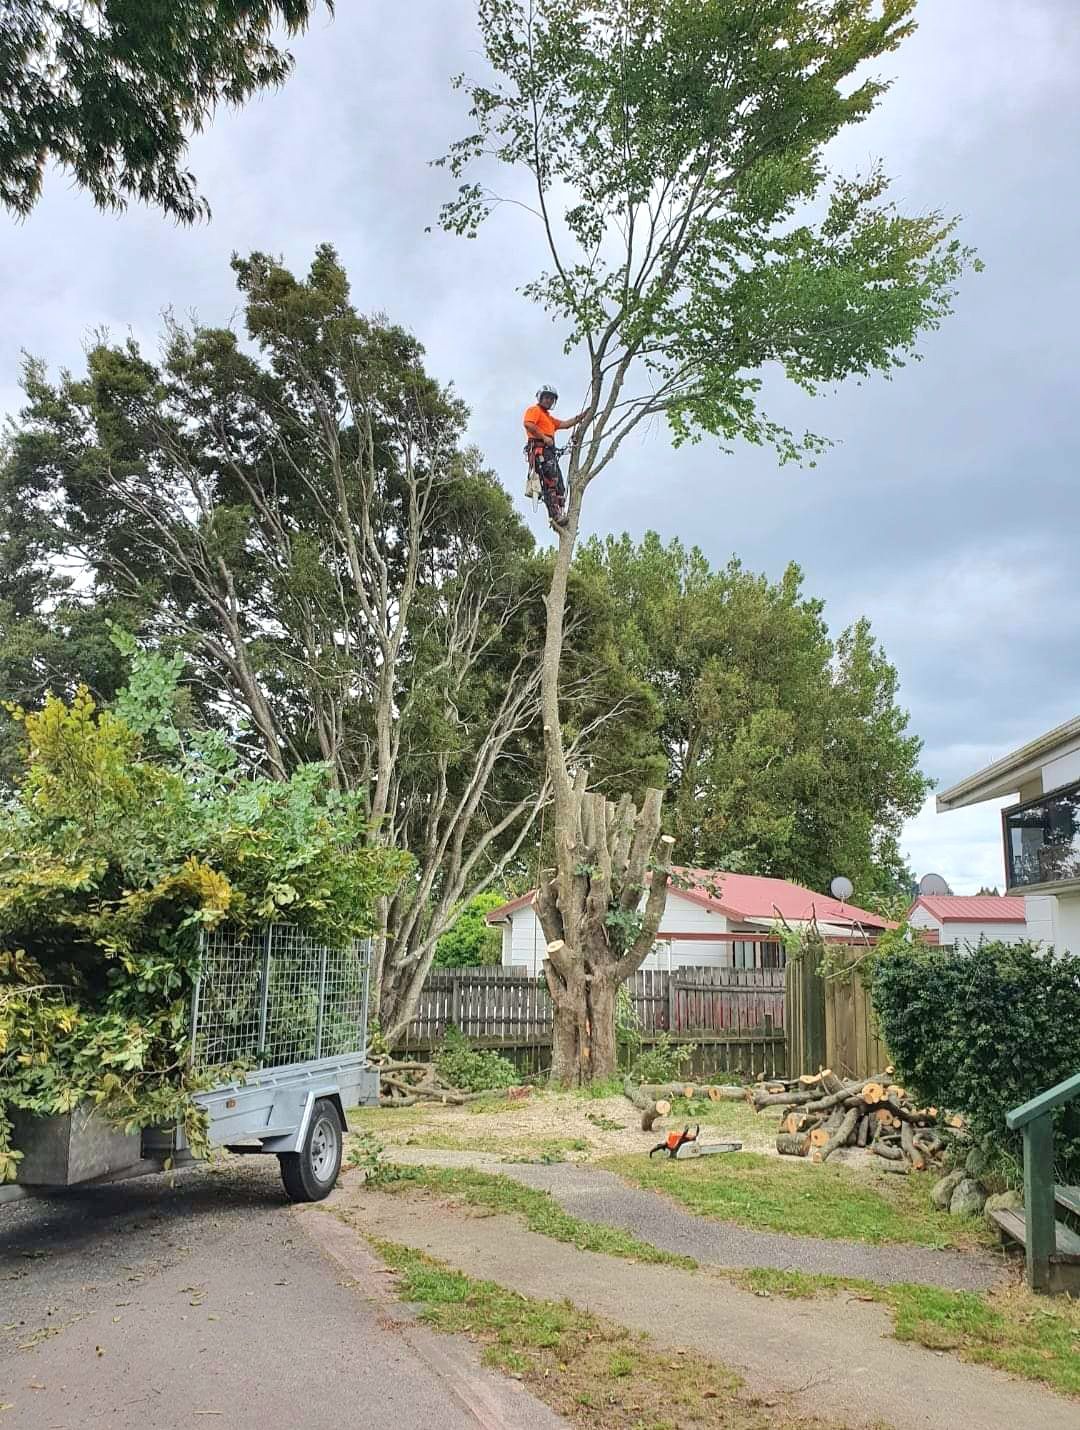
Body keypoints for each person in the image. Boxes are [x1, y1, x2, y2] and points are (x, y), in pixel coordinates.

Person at [522, 384, 590, 527]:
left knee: (559, 484)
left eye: (551, 399)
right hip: (540, 450)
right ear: (540, 397)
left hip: (549, 452)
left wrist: (580, 417)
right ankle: (555, 515)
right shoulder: (534, 411)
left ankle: (560, 511)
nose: (548, 401)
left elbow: (565, 424)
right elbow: (528, 424)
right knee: (550, 482)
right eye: (546, 398)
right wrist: (543, 437)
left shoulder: (549, 418)